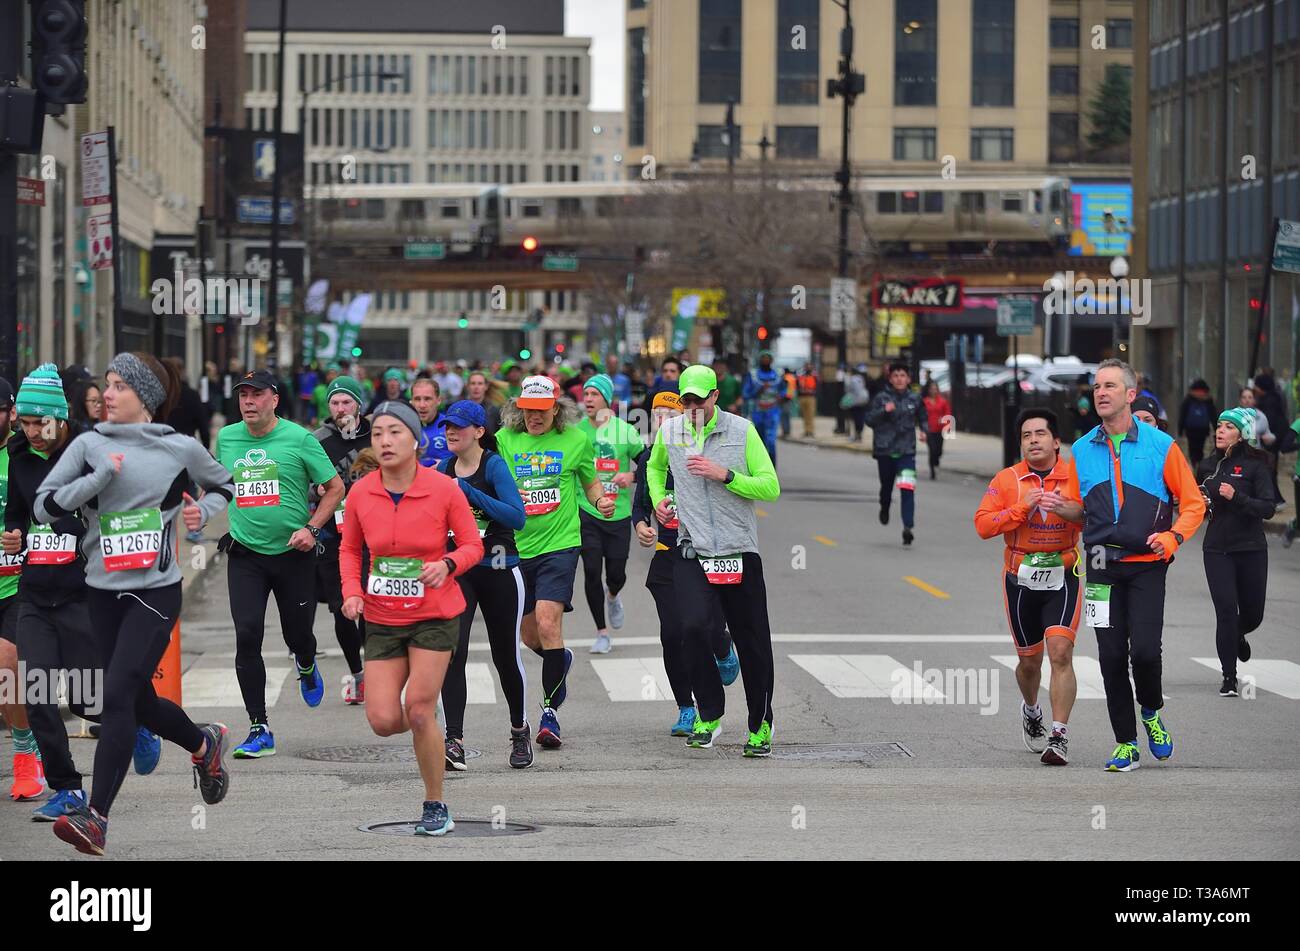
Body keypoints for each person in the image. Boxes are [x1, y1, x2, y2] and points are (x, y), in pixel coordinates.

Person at [33, 352, 234, 855]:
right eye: (107, 384)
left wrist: (200, 513)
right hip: (101, 593)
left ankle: (95, 817)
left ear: (144, 398)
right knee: (138, 701)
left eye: (120, 385)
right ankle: (203, 744)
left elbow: (226, 487)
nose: (108, 393)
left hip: (155, 591)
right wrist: (96, 480)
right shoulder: (87, 445)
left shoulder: (179, 447)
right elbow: (43, 505)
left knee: (117, 695)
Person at [340, 401, 483, 836]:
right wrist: (351, 593)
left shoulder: (444, 489)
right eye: (378, 432)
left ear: (416, 440)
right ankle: (425, 716)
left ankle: (435, 803)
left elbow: (474, 545)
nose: (384, 440)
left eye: (394, 432)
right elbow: (349, 550)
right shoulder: (362, 491)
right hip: (382, 615)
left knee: (418, 709)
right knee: (383, 720)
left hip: (434, 613)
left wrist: (449, 565)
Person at [1070, 359, 1205, 772]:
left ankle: (1151, 712)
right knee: (1110, 657)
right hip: (1099, 564)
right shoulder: (1079, 450)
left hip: (1148, 562)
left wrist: (1172, 537)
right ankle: (1125, 742)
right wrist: (1063, 513)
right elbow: (1081, 511)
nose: (1100, 392)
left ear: (1130, 395)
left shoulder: (1160, 445)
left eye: (1109, 385)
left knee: (1144, 653)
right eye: (1096, 386)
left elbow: (1193, 503)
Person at [646, 365, 781, 755]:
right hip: (693, 548)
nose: (691, 408)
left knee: (752, 641)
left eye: (698, 400)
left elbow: (770, 486)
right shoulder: (670, 432)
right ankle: (709, 714)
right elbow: (654, 469)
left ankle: (760, 725)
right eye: (685, 400)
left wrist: (725, 475)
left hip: (739, 550)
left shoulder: (741, 431)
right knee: (691, 628)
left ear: (715, 397)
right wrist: (659, 501)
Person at [212, 369, 345, 759]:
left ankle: (305, 663)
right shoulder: (228, 437)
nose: (248, 401)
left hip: (294, 554)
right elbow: (220, 483)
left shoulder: (299, 439)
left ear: (274, 399)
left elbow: (335, 487)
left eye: (257, 394)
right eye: (243, 395)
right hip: (245, 554)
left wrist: (312, 528)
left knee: (298, 635)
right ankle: (259, 726)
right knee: (247, 633)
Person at [5, 370, 117, 819]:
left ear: (60, 419)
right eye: (25, 423)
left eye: (40, 424)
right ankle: (67, 788)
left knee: (86, 699)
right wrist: (14, 534)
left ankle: (138, 721)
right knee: (35, 694)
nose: (31, 432)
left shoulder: (88, 452)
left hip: (81, 592)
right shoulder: (20, 455)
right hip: (34, 593)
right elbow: (16, 512)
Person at [495, 376, 615, 749]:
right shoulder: (504, 441)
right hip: (516, 548)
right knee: (530, 635)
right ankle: (559, 658)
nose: (534, 418)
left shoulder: (576, 440)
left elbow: (591, 482)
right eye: (528, 411)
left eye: (541, 412)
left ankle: (549, 713)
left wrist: (599, 501)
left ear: (556, 408)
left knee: (548, 623)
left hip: (561, 545)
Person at [975, 409, 1084, 765]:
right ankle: (1032, 708)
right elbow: (983, 525)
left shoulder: (1075, 477)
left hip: (1064, 572)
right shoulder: (1007, 480)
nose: (1033, 440)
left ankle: (1059, 736)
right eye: (1026, 435)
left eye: (1040, 433)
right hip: (1020, 577)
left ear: (1056, 442)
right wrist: (1021, 508)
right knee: (1029, 662)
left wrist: (1068, 511)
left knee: (1060, 653)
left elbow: (1096, 518)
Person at [633, 391, 738, 736]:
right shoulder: (650, 457)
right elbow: (640, 506)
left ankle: (722, 645)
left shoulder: (705, 450)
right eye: (655, 414)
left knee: (707, 626)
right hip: (668, 553)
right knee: (672, 634)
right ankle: (686, 708)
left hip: (709, 553)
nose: (661, 420)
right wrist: (644, 527)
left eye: (668, 413)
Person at [436, 400, 532, 770]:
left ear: (479, 431)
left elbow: (516, 517)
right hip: (460, 573)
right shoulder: (443, 469)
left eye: (459, 427)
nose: (450, 432)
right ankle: (454, 740)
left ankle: (519, 731)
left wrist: (469, 492)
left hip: (500, 569)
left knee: (505, 655)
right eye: (447, 427)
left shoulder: (493, 465)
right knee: (452, 653)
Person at [1196, 408, 1276, 696]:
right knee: (1226, 612)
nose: (1220, 430)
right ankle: (1229, 677)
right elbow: (1197, 504)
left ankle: (1238, 634)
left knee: (1252, 615)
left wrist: (1236, 496)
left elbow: (1268, 508)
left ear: (1242, 434)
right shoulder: (1206, 465)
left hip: (1251, 549)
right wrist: (1200, 503)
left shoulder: (1258, 466)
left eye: (1228, 426)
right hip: (1217, 549)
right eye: (1218, 425)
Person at [311, 375, 370, 704]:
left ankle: (376, 668)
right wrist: (315, 491)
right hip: (334, 535)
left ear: (358, 405)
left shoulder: (376, 435)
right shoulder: (318, 440)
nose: (340, 408)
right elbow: (302, 481)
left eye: (346, 402)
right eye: (335, 402)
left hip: (374, 534)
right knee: (342, 609)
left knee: (372, 605)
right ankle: (358, 673)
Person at [0, 376, 43, 801]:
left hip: (19, 581)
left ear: (11, 413)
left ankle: (26, 753)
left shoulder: (25, 456)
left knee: (6, 663)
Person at [576, 374, 641, 655]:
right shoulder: (576, 433)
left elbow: (649, 464)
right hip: (586, 511)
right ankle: (602, 632)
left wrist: (630, 473)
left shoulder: (625, 431)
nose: (587, 399)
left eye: (594, 394)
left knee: (616, 574)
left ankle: (613, 595)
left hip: (618, 513)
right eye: (585, 394)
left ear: (607, 399)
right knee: (591, 570)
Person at [865, 363, 925, 545]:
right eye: (896, 375)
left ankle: (908, 527)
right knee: (886, 486)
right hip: (885, 450)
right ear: (890, 379)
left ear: (908, 379)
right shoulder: (881, 398)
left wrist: (924, 430)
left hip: (906, 451)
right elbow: (868, 419)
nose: (899, 379)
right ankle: (884, 505)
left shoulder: (914, 399)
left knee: (907, 489)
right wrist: (884, 410)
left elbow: (923, 416)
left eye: (903, 375)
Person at [742, 351, 783, 471]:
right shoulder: (753, 375)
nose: (766, 361)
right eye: (763, 358)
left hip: (772, 412)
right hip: (757, 412)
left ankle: (772, 470)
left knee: (771, 441)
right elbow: (746, 394)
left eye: (768, 359)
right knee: (758, 441)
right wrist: (759, 390)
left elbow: (784, 390)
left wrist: (782, 396)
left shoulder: (778, 375)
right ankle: (758, 468)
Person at [410, 378, 453, 468]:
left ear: (438, 401)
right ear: (411, 402)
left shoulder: (451, 426)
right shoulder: (404, 428)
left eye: (427, 399)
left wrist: (445, 466)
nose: (422, 405)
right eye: (417, 399)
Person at [1178, 379, 1217, 467]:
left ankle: (1196, 464)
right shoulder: (1192, 401)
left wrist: (1180, 430)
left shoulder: (1192, 400)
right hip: (1197, 430)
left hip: (1197, 430)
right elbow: (1213, 415)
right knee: (1196, 448)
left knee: (1196, 449)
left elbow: (1213, 416)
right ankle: (1197, 463)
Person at [921, 380, 952, 479]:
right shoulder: (925, 401)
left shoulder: (943, 401)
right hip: (929, 429)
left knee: (938, 451)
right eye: (932, 389)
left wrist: (947, 426)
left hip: (940, 429)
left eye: (935, 389)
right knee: (932, 450)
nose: (934, 391)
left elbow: (947, 414)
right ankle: (932, 471)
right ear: (929, 390)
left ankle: (936, 461)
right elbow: (921, 415)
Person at [846, 365, 870, 442]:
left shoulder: (851, 379)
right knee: (861, 418)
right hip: (863, 401)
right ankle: (859, 434)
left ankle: (856, 435)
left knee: (855, 419)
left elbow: (848, 391)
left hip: (855, 402)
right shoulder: (862, 379)